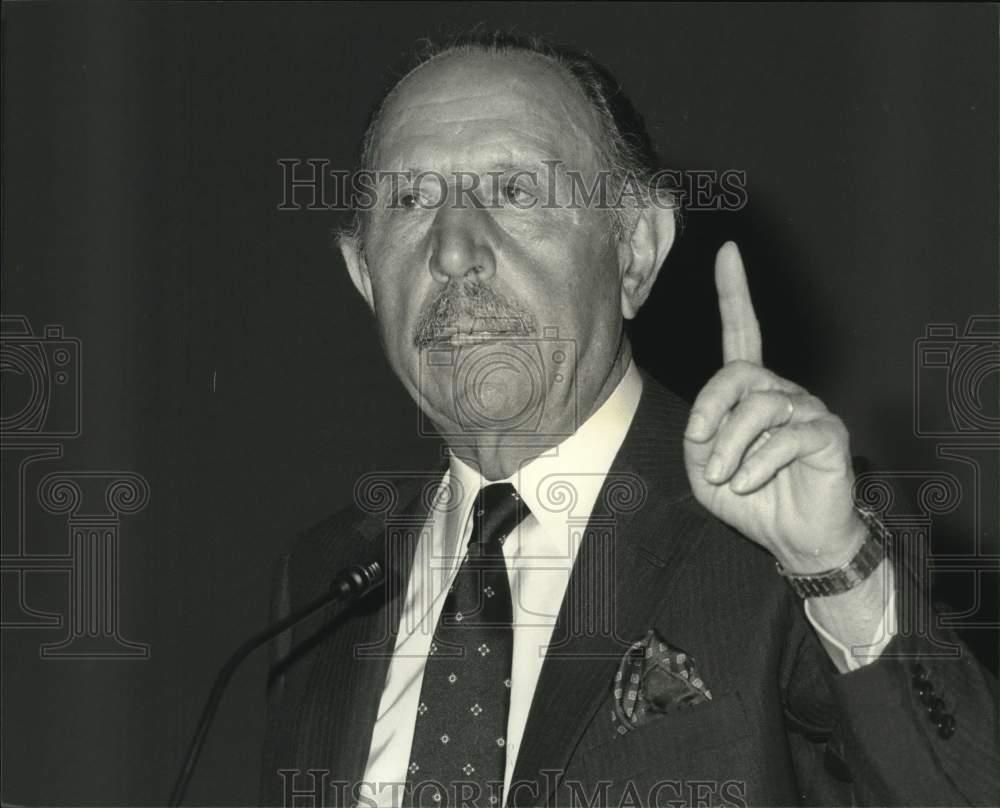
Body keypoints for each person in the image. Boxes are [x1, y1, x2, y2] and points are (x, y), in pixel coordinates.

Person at [259, 32, 999, 808]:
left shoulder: (791, 532)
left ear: (636, 251)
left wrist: (834, 568)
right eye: (409, 201)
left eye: (514, 192)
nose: (452, 251)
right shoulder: (326, 581)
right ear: (364, 275)